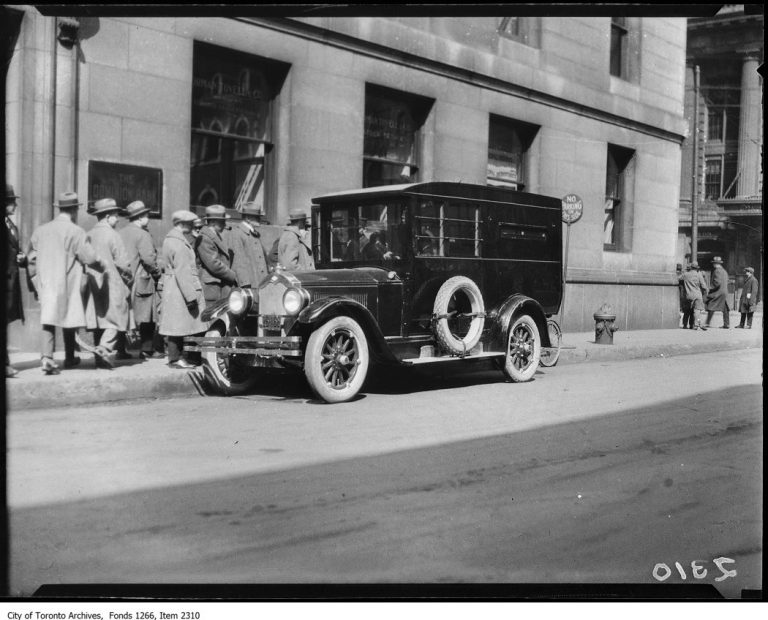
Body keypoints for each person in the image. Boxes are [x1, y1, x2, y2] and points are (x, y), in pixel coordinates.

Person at [27, 192, 104, 374]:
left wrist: (36, 282)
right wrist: (102, 265)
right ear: (75, 210)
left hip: (47, 281)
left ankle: (47, 357)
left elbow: (31, 259)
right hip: (68, 282)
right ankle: (70, 357)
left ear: (59, 208)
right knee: (70, 316)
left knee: (48, 319)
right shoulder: (76, 232)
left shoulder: (41, 230)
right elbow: (89, 258)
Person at [84, 198, 133, 369]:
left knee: (99, 322)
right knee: (116, 320)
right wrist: (129, 280)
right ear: (107, 216)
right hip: (112, 283)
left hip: (93, 284)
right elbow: (123, 264)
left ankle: (100, 361)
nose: (117, 219)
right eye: (115, 215)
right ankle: (104, 349)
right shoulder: (113, 235)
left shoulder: (88, 234)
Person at [159, 210, 207, 369]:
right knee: (184, 325)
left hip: (173, 286)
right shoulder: (180, 244)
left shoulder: (170, 239)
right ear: (182, 224)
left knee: (175, 325)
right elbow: (183, 272)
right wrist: (191, 297)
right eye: (190, 223)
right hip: (181, 288)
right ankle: (178, 359)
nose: (192, 226)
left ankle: (175, 358)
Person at [119, 200, 163, 359]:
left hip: (123, 279)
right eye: (146, 215)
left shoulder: (120, 232)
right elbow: (149, 260)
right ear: (139, 217)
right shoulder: (143, 234)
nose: (148, 218)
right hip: (141, 281)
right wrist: (157, 273)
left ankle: (120, 350)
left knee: (122, 313)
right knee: (147, 316)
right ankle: (146, 349)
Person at [5, 184, 27, 377]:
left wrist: (22, 258)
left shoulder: (11, 225)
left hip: (10, 282)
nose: (15, 205)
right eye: (12, 202)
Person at [196, 204, 237, 303]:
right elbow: (214, 265)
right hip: (211, 288)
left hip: (217, 286)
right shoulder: (204, 238)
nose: (225, 224)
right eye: (222, 222)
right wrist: (233, 275)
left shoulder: (214, 236)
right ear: (213, 222)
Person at [230, 202, 269, 288]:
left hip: (259, 282)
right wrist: (245, 284)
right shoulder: (238, 233)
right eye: (257, 217)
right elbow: (238, 261)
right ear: (248, 218)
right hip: (249, 285)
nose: (259, 219)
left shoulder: (254, 233)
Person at [678, 262, 708, 330]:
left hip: (688, 295)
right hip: (697, 295)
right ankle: (697, 324)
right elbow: (704, 286)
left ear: (691, 267)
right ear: (697, 268)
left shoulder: (685, 274)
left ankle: (685, 324)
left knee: (687, 310)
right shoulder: (698, 275)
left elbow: (678, 278)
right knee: (697, 311)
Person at [704, 256, 731, 329]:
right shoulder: (724, 271)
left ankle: (707, 323)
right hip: (724, 292)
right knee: (725, 308)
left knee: (711, 306)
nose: (713, 265)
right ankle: (727, 324)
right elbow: (728, 281)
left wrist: (710, 288)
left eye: (713, 263)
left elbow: (717, 282)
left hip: (718, 292)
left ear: (716, 264)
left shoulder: (717, 271)